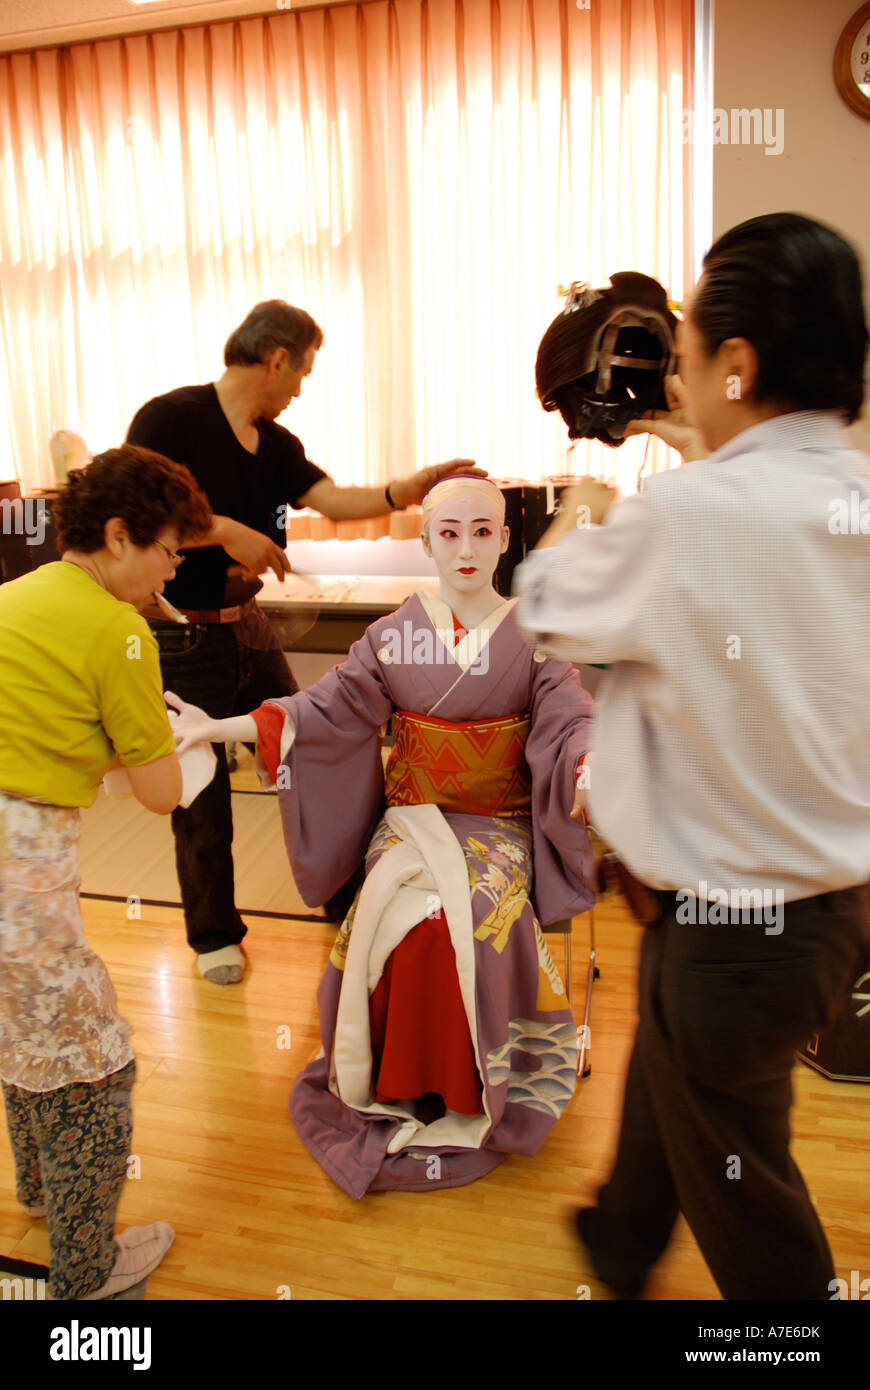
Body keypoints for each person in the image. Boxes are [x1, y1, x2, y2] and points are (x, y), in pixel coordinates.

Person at [514, 212, 870, 1300]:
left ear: (738, 362)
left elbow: (544, 603)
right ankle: (621, 1240)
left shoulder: (684, 514)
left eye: (690, 351)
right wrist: (704, 435)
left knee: (744, 1182)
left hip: (730, 926)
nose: (673, 372)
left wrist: (580, 507)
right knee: (673, 1066)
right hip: (818, 907)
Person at [168, 476, 598, 1196]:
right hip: (411, 820)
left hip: (497, 826)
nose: (466, 547)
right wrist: (218, 728)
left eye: (483, 531)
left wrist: (590, 766)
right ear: (426, 540)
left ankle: (474, 1082)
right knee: (404, 913)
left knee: (465, 913)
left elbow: (570, 723)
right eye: (449, 532)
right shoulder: (392, 634)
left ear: (503, 539)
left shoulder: (537, 635)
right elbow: (318, 711)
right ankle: (391, 1076)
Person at [127, 299, 481, 985]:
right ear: (276, 358)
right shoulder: (169, 418)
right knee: (201, 791)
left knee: (314, 744)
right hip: (178, 634)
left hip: (247, 625)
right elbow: (139, 514)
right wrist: (226, 530)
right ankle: (213, 937)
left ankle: (349, 898)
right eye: (303, 372)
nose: (301, 388)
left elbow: (332, 500)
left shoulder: (276, 443)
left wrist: (401, 490)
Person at [0, 444, 213, 1299]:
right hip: (22, 872)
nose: (170, 571)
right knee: (91, 1060)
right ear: (120, 537)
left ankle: (41, 1192)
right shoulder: (120, 630)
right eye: (167, 551)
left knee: (21, 1030)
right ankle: (86, 1271)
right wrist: (177, 741)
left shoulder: (14, 596)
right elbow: (162, 792)